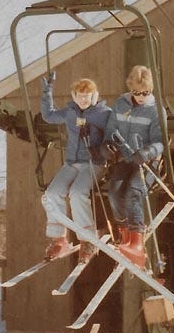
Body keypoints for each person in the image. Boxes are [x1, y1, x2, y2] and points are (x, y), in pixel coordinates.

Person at [40, 73, 111, 262]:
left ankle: (88, 240)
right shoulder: (70, 112)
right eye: (79, 96)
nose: (83, 100)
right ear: (74, 96)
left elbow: (114, 134)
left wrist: (103, 150)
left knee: (77, 193)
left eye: (87, 96)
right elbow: (48, 116)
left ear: (94, 96)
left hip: (93, 164)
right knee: (52, 194)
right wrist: (47, 92)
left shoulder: (103, 114)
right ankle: (59, 239)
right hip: (71, 163)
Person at [100, 65, 163, 268]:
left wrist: (147, 152)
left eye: (145, 92)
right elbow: (110, 130)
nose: (141, 97)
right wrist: (107, 146)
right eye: (137, 92)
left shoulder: (155, 110)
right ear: (131, 89)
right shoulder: (121, 104)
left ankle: (137, 242)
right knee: (114, 193)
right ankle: (125, 235)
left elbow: (160, 141)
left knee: (133, 192)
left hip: (147, 163)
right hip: (125, 158)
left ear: (150, 89)